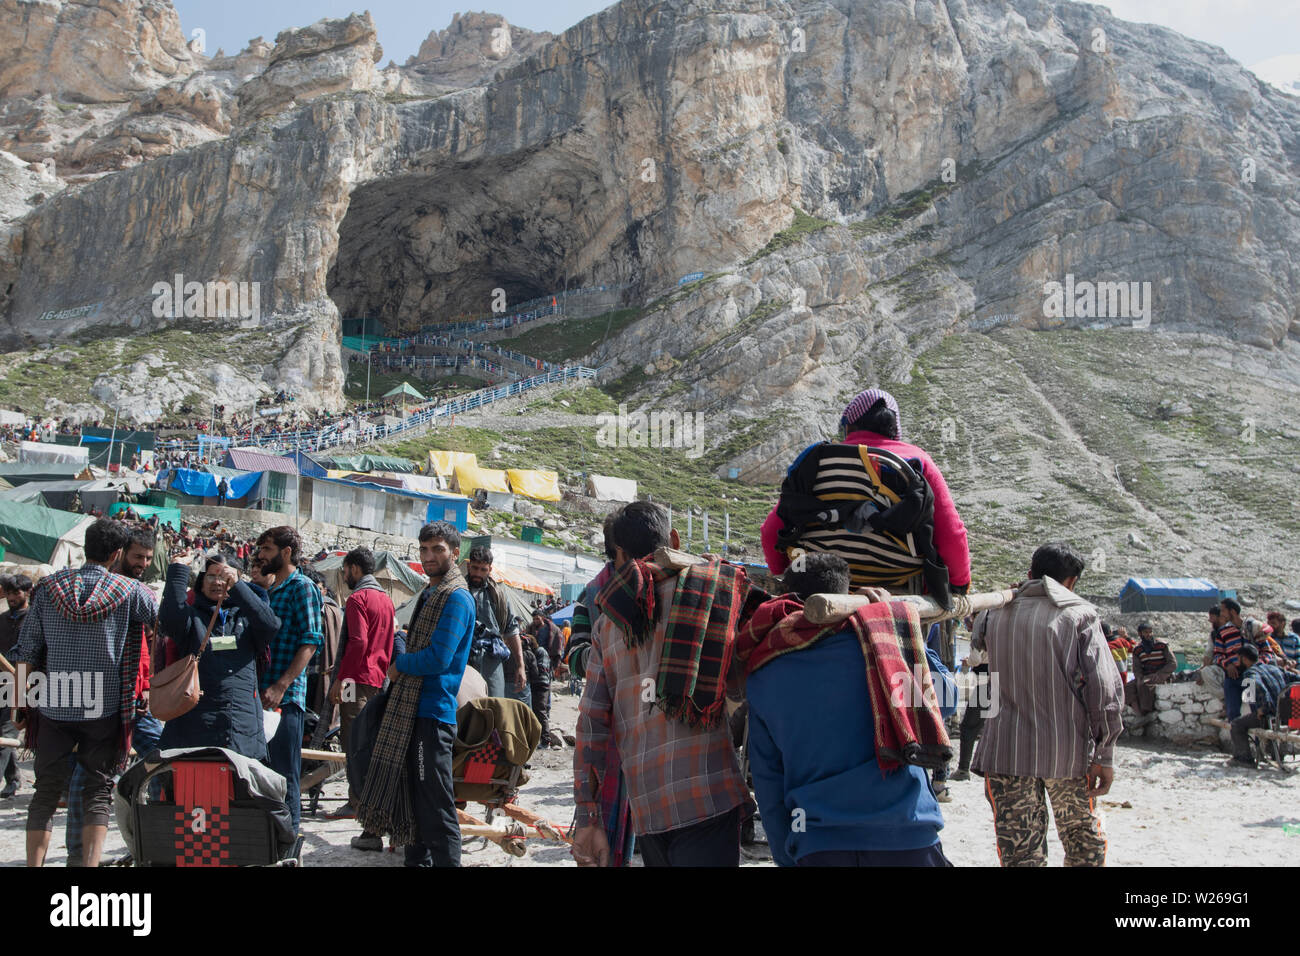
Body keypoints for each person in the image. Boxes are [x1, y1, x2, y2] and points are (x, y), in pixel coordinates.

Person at [571, 502, 762, 867]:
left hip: (647, 809)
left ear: (621, 554)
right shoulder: (714, 594)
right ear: (674, 539)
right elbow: (744, 685)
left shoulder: (607, 625)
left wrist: (588, 817)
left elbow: (590, 724)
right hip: (708, 797)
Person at [738, 552, 954, 866]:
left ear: (786, 599)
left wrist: (790, 857)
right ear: (846, 593)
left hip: (820, 845)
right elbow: (944, 701)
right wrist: (904, 627)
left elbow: (768, 782)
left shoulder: (764, 672)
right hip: (908, 838)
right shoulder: (885, 648)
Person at [11, 518, 157, 867]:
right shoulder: (131, 592)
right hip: (104, 708)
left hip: (54, 704)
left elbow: (25, 651)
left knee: (45, 792)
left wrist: (19, 702)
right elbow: (158, 621)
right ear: (118, 553)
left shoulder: (46, 588)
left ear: (85, 547)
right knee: (98, 792)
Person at [972, 542, 1123, 867]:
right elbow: (1105, 689)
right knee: (1084, 845)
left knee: (1021, 854)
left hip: (1006, 753)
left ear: (1030, 574)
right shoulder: (1080, 615)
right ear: (1071, 582)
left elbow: (977, 646)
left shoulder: (993, 611)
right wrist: (1105, 753)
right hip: (1066, 756)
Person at [760, 387, 971, 604]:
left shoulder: (817, 461)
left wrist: (781, 571)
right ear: (894, 429)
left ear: (848, 426)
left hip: (821, 578)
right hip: (894, 576)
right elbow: (952, 534)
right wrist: (959, 585)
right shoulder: (917, 461)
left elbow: (771, 531)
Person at [355, 522, 475, 867]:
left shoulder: (456, 598)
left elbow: (439, 657)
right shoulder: (429, 593)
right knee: (414, 801)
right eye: (424, 549)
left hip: (432, 712)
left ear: (455, 553)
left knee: (436, 805)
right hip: (414, 711)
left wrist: (400, 664)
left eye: (438, 549)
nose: (430, 556)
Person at [156, 553, 280, 758]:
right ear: (201, 581)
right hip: (194, 717)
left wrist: (239, 587)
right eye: (211, 576)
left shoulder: (247, 617)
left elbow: (271, 625)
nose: (217, 582)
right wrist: (178, 571)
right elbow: (170, 620)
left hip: (240, 719)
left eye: (224, 576)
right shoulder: (192, 617)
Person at [255, 526, 324, 833]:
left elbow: (310, 642)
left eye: (267, 549)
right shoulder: (268, 592)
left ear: (285, 553)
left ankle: (289, 842)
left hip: (285, 699)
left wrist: (281, 685)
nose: (260, 555)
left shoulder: (302, 588)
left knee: (285, 776)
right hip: (260, 696)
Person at [328, 548, 396, 834]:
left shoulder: (357, 599)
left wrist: (340, 679)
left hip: (354, 680)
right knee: (368, 740)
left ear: (354, 569)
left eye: (345, 570)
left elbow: (356, 642)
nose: (345, 576)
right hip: (377, 678)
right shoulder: (386, 600)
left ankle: (357, 802)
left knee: (352, 741)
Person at [463, 546, 523, 699]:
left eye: (483, 569)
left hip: (491, 659)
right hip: (462, 656)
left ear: (490, 569)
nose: (477, 573)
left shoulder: (498, 595)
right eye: (475, 568)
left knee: (494, 707)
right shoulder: (458, 590)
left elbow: (512, 630)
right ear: (469, 566)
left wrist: (521, 666)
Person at [1229, 642, 1300, 767]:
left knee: (1236, 724)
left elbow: (1257, 686)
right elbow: (1296, 678)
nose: (1237, 662)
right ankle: (1274, 752)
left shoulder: (1249, 673)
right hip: (1287, 713)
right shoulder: (1274, 668)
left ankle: (1244, 758)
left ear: (1244, 659)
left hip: (1270, 715)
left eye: (1238, 659)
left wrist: (1264, 708)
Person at [0, 574, 33, 799]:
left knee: (7, 731)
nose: (12, 597)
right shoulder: (2, 620)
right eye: (9, 593)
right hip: (2, 682)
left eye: (16, 593)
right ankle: (13, 779)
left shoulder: (32, 620)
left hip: (23, 683)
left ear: (27, 592)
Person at [1125, 622, 1176, 729]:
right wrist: (1139, 677)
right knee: (1127, 688)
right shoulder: (1138, 650)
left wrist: (1159, 674)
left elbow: (1172, 663)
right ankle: (1139, 714)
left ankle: (1146, 712)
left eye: (1150, 632)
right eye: (1145, 632)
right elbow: (1136, 668)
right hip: (1146, 676)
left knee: (1145, 685)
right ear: (1140, 634)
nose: (1148, 635)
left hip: (1161, 676)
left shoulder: (1162, 645)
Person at [1214, 599, 1247, 721]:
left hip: (1252, 676)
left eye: (1223, 610)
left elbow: (1266, 651)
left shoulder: (1251, 627)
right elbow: (1217, 654)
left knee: (1255, 709)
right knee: (1232, 713)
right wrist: (1228, 665)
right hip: (1233, 676)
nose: (1221, 614)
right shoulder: (1223, 632)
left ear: (1232, 611)